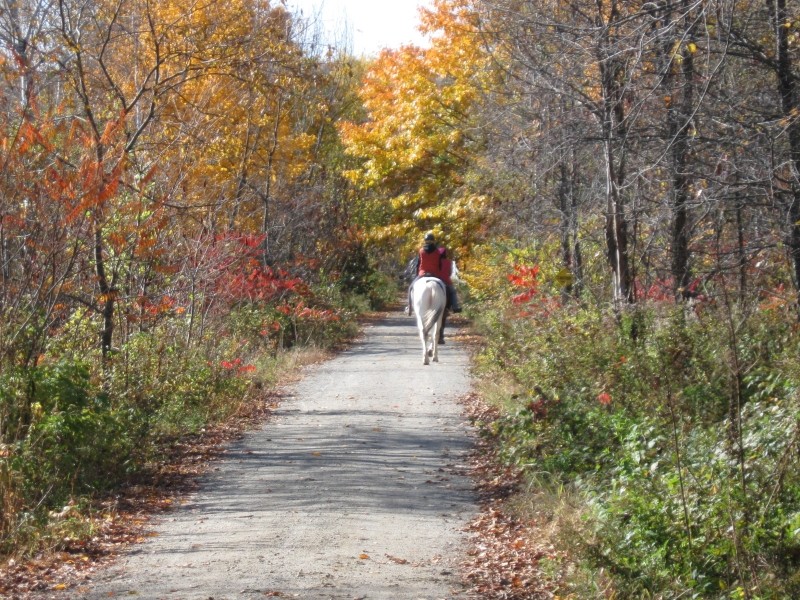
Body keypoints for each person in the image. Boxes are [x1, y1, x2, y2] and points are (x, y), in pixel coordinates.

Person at [405, 231, 461, 314]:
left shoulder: (421, 251)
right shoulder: (438, 252)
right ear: (433, 241)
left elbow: (418, 264)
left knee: (410, 288)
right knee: (450, 289)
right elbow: (440, 265)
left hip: (423, 274)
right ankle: (453, 307)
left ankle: (409, 307)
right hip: (435, 274)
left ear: (425, 241)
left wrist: (417, 274)